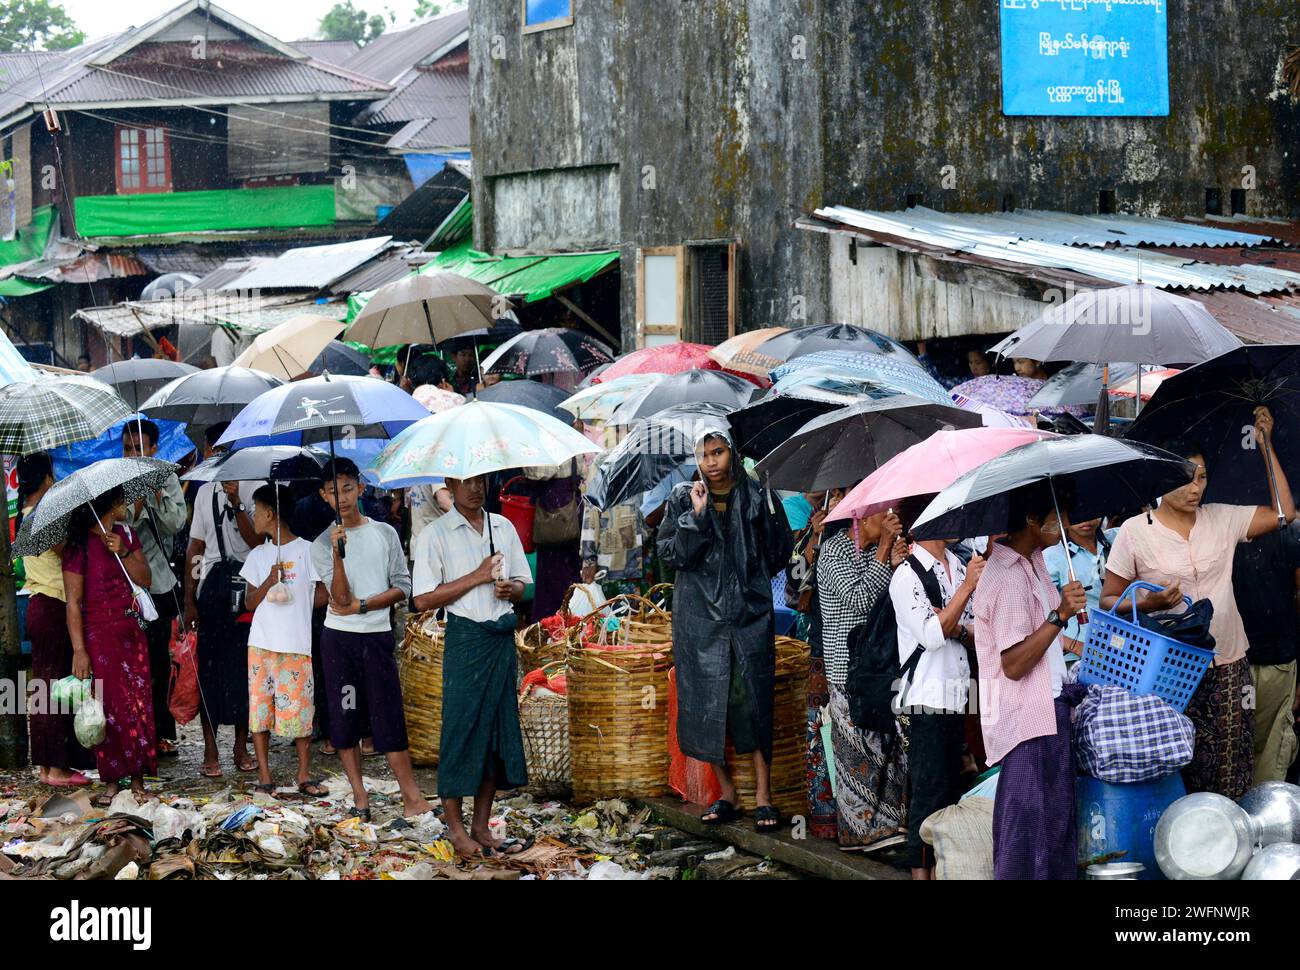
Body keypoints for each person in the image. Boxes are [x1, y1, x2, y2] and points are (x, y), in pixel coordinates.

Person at [1103, 410, 1295, 800]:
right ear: (1163, 478)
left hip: (1228, 663)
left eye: (1202, 477)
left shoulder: (1221, 519)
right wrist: (1148, 601)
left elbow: (1283, 513)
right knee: (1177, 766)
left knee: (1232, 766)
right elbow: (1108, 601)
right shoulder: (1135, 533)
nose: (1195, 487)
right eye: (1185, 477)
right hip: (1166, 671)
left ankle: (1229, 851)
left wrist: (1265, 445)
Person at [656, 425, 792, 832]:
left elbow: (777, 554)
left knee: (751, 700)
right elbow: (671, 555)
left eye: (718, 452)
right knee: (705, 704)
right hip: (700, 620)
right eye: (704, 455)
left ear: (732, 452)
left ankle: (764, 796)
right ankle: (726, 792)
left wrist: (767, 505)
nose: (712, 462)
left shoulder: (756, 493)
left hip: (749, 615)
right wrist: (695, 518)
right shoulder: (683, 497)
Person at [412, 473, 533, 859]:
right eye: (466, 481)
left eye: (481, 480)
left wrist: (508, 588)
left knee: (496, 735)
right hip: (466, 641)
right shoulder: (436, 534)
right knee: (461, 733)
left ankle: (481, 824)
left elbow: (524, 585)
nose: (475, 488)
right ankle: (457, 829)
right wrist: (477, 577)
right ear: (450, 483)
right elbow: (423, 599)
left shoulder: (503, 526)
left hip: (499, 640)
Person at [972, 481, 1088, 880]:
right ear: (1031, 521)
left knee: (1054, 829)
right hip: (1026, 720)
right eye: (1058, 519)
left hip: (1049, 710)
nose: (1066, 526)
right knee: (1026, 834)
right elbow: (1014, 664)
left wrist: (1067, 630)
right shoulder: (1006, 578)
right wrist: (1060, 615)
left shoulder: (1035, 563)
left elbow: (1042, 636)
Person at [310, 458, 431, 820]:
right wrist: (337, 554)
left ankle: (411, 796)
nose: (342, 497)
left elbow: (402, 587)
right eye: (333, 491)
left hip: (376, 637)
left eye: (348, 488)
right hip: (338, 641)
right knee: (344, 720)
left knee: (388, 717)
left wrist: (365, 605)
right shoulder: (321, 544)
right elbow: (339, 600)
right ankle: (360, 796)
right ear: (323, 496)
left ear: (361, 489)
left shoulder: (385, 533)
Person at [890, 514, 984, 879]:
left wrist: (953, 622)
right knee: (928, 792)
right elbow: (931, 636)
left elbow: (972, 628)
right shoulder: (907, 575)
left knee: (949, 789)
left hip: (959, 693)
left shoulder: (959, 565)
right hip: (926, 693)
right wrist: (961, 599)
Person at [817, 508, 909, 850]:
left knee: (884, 747)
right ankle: (857, 833)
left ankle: (885, 828)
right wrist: (886, 548)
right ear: (859, 517)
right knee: (856, 754)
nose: (889, 518)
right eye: (880, 513)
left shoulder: (874, 551)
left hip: (878, 666)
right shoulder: (834, 550)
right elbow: (858, 601)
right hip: (846, 670)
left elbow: (886, 602)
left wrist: (896, 562)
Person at [64, 486, 156, 806]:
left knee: (138, 705)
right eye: (120, 501)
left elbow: (146, 579)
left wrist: (125, 552)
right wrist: (79, 650)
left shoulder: (126, 536)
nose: (124, 506)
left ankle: (139, 777)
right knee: (109, 708)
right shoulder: (79, 546)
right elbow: (73, 603)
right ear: (108, 505)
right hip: (98, 636)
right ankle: (112, 781)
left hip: (132, 633)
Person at [184, 422, 263, 779]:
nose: (216, 457)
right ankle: (211, 748)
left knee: (244, 671)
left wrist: (236, 502)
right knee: (210, 673)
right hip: (213, 590)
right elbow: (196, 547)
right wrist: (190, 598)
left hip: (247, 589)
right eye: (211, 450)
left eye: (221, 450)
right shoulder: (203, 493)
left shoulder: (255, 486)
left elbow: (258, 542)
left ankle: (241, 746)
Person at [240, 485, 328, 797]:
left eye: (256, 509)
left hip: (295, 644)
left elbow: (323, 593)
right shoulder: (258, 555)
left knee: (301, 712)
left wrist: (299, 598)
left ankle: (303, 773)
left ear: (270, 513)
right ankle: (265, 775)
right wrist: (269, 582)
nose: (253, 515)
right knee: (259, 712)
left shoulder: (307, 550)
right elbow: (250, 602)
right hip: (261, 643)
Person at [18, 454, 91, 786]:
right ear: (46, 478)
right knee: (54, 689)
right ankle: (57, 768)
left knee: (44, 688)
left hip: (40, 606)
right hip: (52, 605)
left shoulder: (26, 515)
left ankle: (49, 766)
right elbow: (70, 555)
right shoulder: (44, 517)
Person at [122, 419, 187, 759]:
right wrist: (133, 502)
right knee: (130, 662)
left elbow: (176, 523)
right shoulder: (116, 477)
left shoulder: (167, 477)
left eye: (139, 447)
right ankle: (134, 731)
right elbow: (119, 524)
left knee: (158, 663)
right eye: (128, 448)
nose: (133, 453)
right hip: (126, 584)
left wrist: (156, 498)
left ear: (153, 448)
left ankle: (162, 732)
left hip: (159, 583)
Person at [1232, 522, 1300, 784]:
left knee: (1263, 742)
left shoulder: (1287, 532)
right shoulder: (1220, 528)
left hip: (1271, 663)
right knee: (1262, 744)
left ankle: (1262, 816)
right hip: (1238, 665)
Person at [1042, 517, 1116, 660]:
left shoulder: (1117, 538)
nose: (1085, 519)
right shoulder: (1050, 558)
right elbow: (1037, 619)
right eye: (1076, 513)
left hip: (1125, 647)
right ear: (1062, 516)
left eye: (1091, 510)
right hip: (1077, 656)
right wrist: (1075, 646)